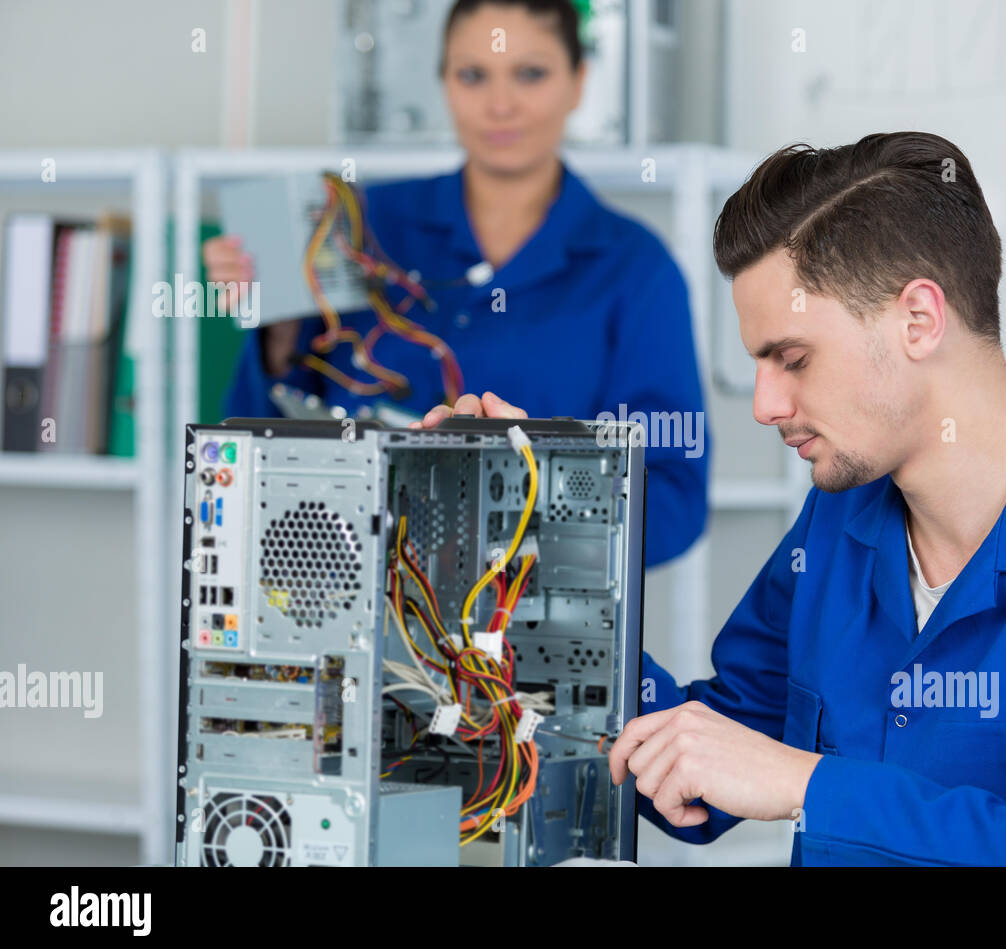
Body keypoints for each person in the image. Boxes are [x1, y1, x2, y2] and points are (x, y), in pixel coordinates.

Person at [446, 131, 1006, 865]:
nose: (764, 405)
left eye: (791, 359)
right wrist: (538, 542)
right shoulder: (843, 516)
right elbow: (708, 756)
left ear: (917, 319)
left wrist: (811, 786)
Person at [205, 0, 708, 569]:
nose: (500, 105)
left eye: (531, 73)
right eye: (473, 75)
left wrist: (530, 506)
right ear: (443, 82)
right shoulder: (356, 230)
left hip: (528, 627)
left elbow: (673, 502)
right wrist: (279, 322)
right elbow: (250, 454)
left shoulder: (636, 267)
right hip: (346, 594)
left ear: (578, 83)